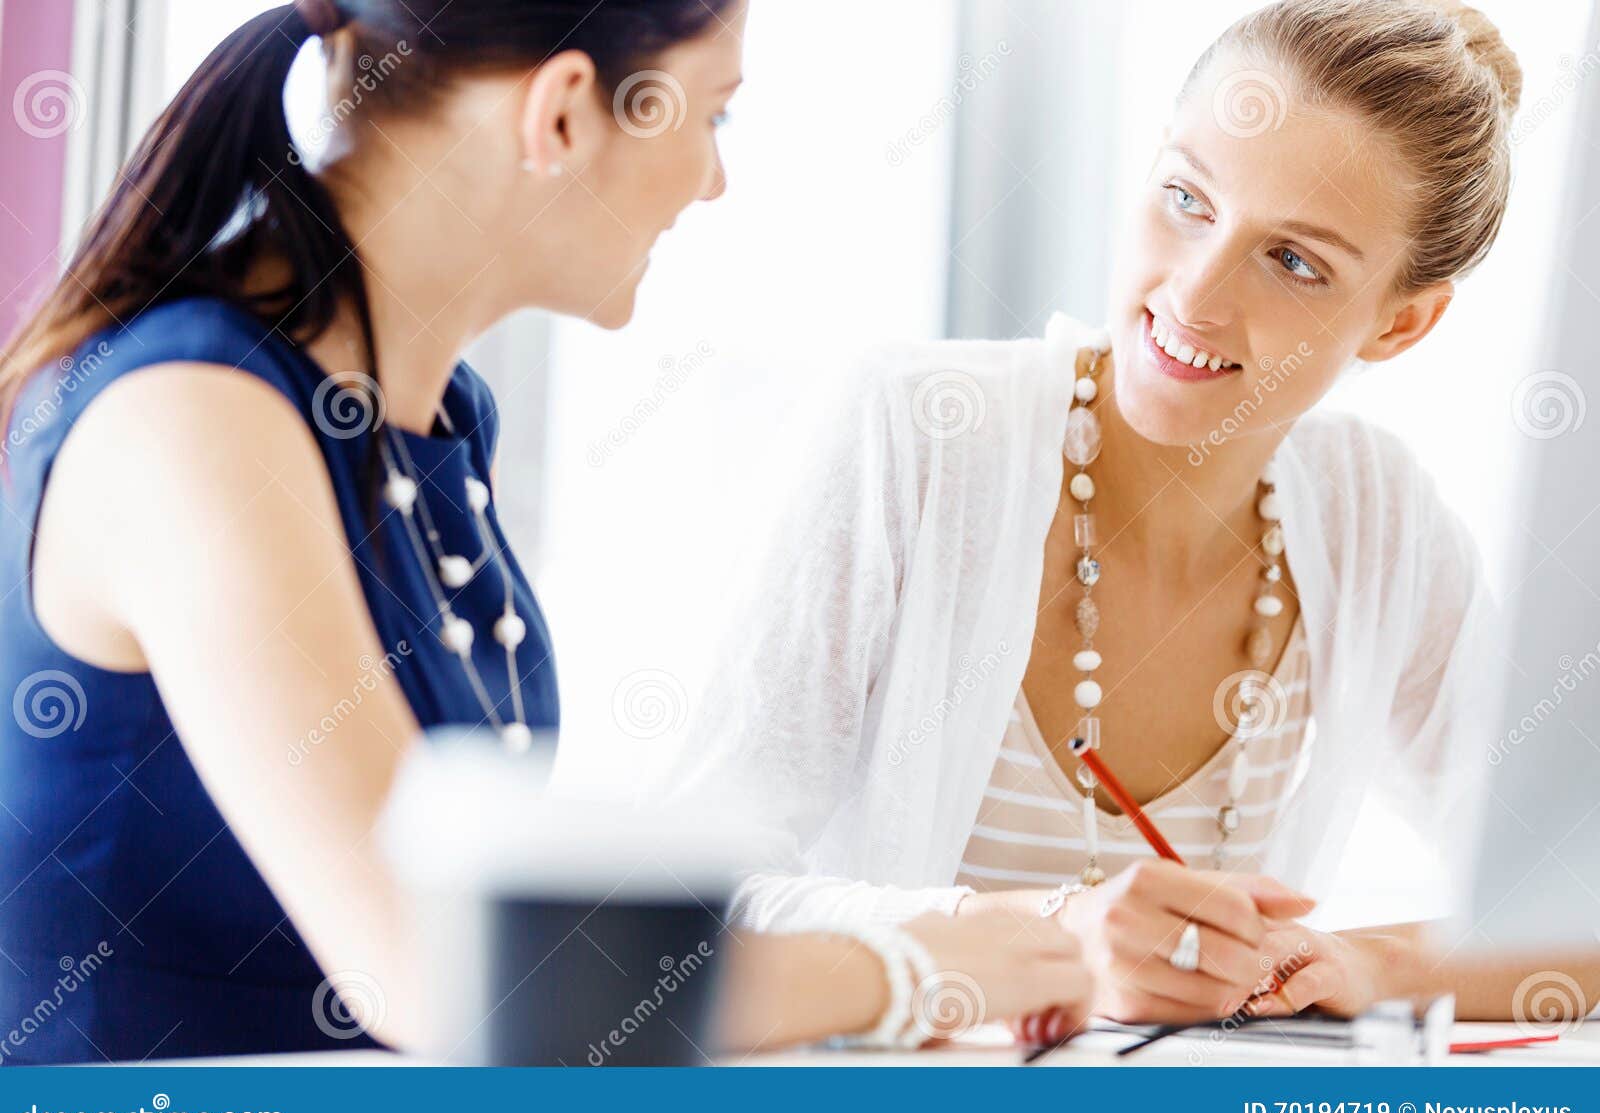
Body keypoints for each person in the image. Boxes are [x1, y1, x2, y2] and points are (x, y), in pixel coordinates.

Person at [0, 0, 1094, 1063]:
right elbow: (452, 972)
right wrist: (916, 960)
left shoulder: (439, 419)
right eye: (713, 116)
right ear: (563, 113)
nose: (716, 183)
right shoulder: (194, 417)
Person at [658, 0, 1599, 1032]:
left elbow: (1573, 888)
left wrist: (1361, 959)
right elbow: (684, 910)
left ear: (1403, 320)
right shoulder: (916, 433)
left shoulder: (1377, 517)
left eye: (1294, 261)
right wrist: (1055, 939)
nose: (1193, 295)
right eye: (1187, 200)